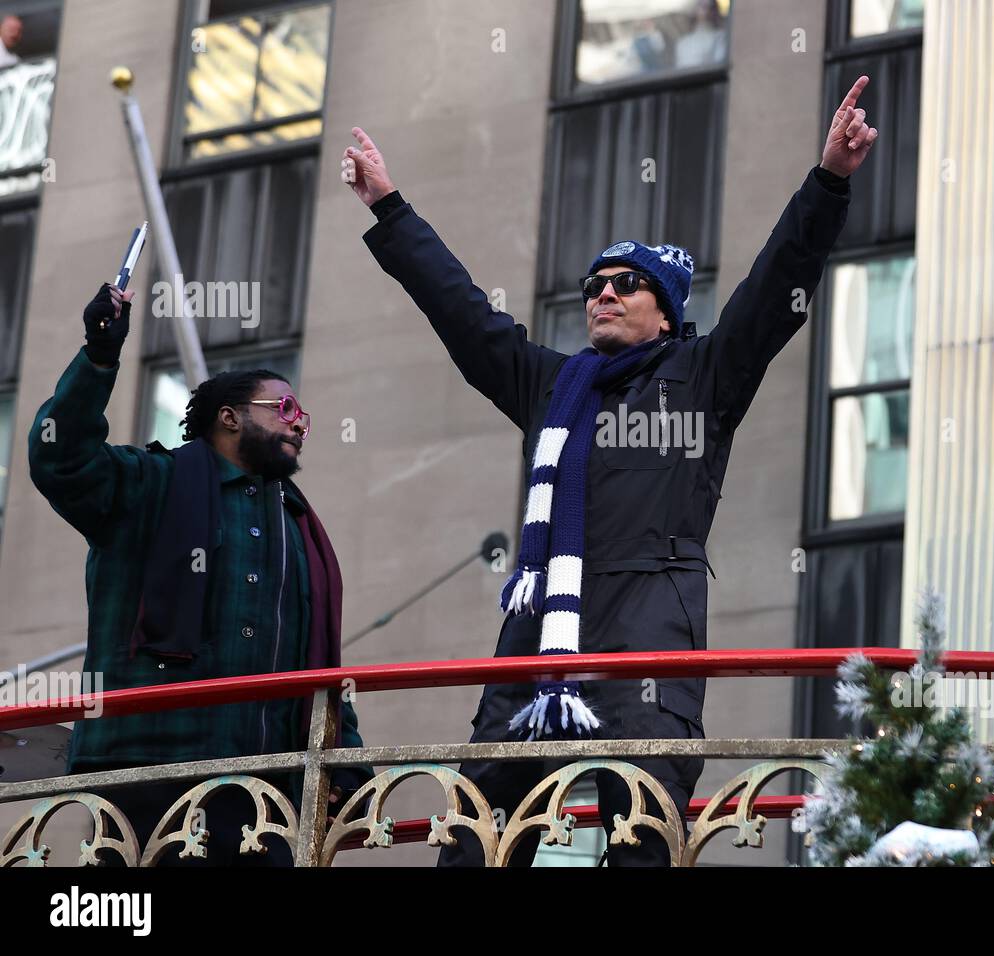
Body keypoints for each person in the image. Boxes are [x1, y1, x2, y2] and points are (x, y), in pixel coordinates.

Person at [343, 77, 878, 866]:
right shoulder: (554, 385)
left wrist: (828, 180)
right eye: (593, 286)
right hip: (539, 630)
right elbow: (463, 315)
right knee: (482, 826)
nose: (602, 295)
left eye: (624, 284)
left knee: (640, 826)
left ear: (664, 308)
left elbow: (774, 291)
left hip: (649, 626)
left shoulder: (705, 375)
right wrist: (391, 210)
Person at [28, 282, 370, 866]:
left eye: (303, 415)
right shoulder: (149, 483)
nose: (300, 424)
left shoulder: (297, 524)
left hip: (267, 794)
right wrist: (98, 358)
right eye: (284, 409)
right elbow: (61, 459)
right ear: (229, 417)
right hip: (146, 774)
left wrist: (347, 757)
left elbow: (314, 662)